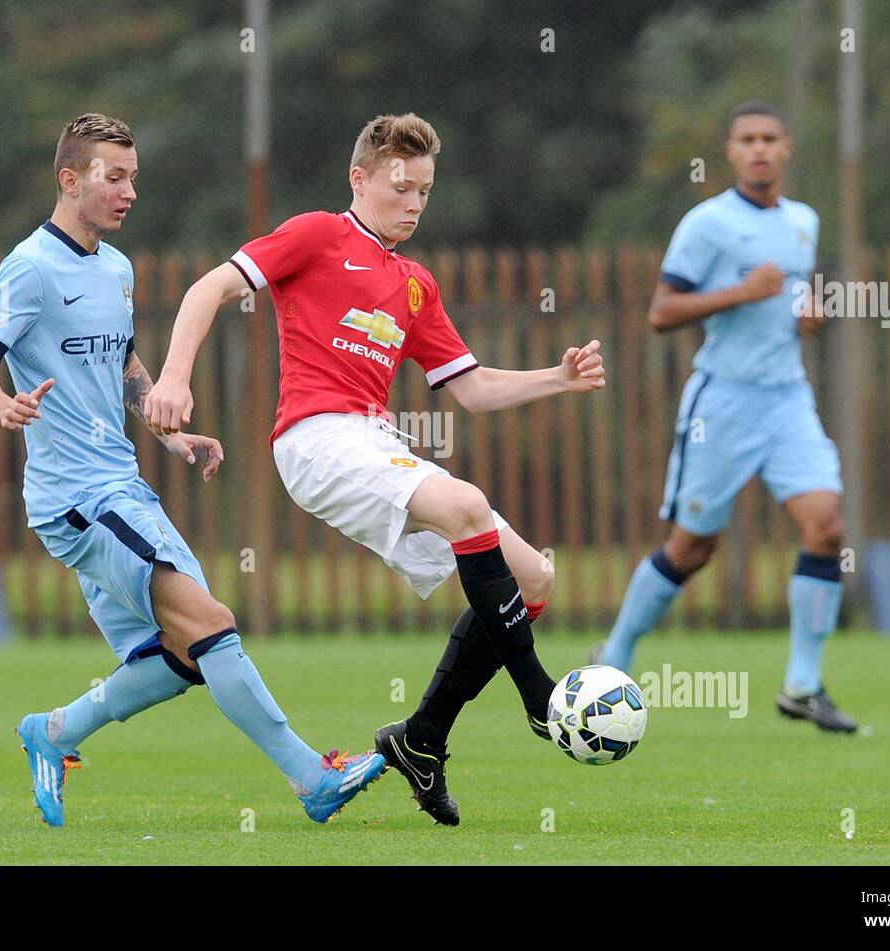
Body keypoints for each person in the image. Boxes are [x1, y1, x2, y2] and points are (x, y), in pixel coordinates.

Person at [143, 113, 606, 824]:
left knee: (535, 576)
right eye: (401, 187)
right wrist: (174, 376)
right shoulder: (319, 235)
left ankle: (422, 739)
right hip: (315, 438)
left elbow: (472, 389)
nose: (415, 203)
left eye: (424, 190)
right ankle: (540, 695)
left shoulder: (415, 283)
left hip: (375, 440)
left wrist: (559, 377)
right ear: (359, 179)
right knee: (468, 505)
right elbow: (208, 289)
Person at [0, 113, 385, 828]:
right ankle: (313, 777)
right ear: (71, 180)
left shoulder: (117, 268)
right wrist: (3, 407)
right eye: (114, 178)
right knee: (213, 622)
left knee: (183, 655)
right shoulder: (29, 267)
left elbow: (120, 363)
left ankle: (54, 732)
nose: (128, 192)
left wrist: (165, 423)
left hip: (118, 483)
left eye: (133, 179)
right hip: (78, 497)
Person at [593, 100, 856, 733]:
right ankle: (616, 657)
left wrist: (806, 316)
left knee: (825, 527)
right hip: (724, 403)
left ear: (787, 147)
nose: (760, 149)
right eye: (747, 140)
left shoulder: (804, 222)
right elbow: (661, 312)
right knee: (693, 546)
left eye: (770, 138)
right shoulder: (707, 224)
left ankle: (802, 684)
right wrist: (742, 292)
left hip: (788, 400)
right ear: (731, 151)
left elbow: (790, 301)